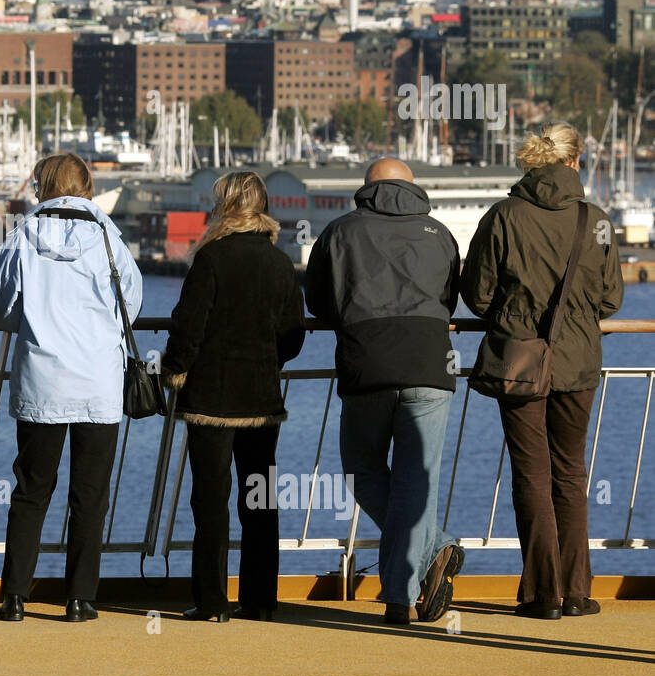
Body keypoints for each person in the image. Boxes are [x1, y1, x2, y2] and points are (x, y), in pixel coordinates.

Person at [461, 124, 622, 620]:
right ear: (575, 162)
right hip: (578, 362)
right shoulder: (595, 220)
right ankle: (578, 591)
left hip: (520, 361)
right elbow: (611, 299)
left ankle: (542, 594)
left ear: (533, 162)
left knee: (531, 474)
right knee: (570, 475)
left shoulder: (504, 216)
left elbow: (478, 294)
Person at [305, 158, 464, 625]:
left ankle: (414, 579)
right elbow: (450, 297)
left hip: (366, 362)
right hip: (430, 363)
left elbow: (318, 301)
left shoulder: (340, 231)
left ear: (366, 187)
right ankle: (412, 578)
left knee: (361, 470)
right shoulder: (440, 234)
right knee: (417, 479)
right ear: (412, 188)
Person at [0, 153, 142, 622]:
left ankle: (14, 595)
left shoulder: (21, 238)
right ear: (88, 184)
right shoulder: (109, 238)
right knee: (90, 494)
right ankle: (80, 599)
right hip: (98, 383)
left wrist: (35, 323)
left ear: (41, 185)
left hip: (42, 381)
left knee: (31, 490)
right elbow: (129, 304)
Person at [161, 172, 305, 623]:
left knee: (210, 500)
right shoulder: (281, 264)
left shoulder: (211, 259)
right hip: (261, 398)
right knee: (259, 500)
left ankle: (211, 602)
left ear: (224, 207)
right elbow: (293, 336)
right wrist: (269, 360)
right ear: (262, 207)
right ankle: (261, 599)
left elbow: (189, 326)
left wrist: (174, 370)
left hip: (210, 398)